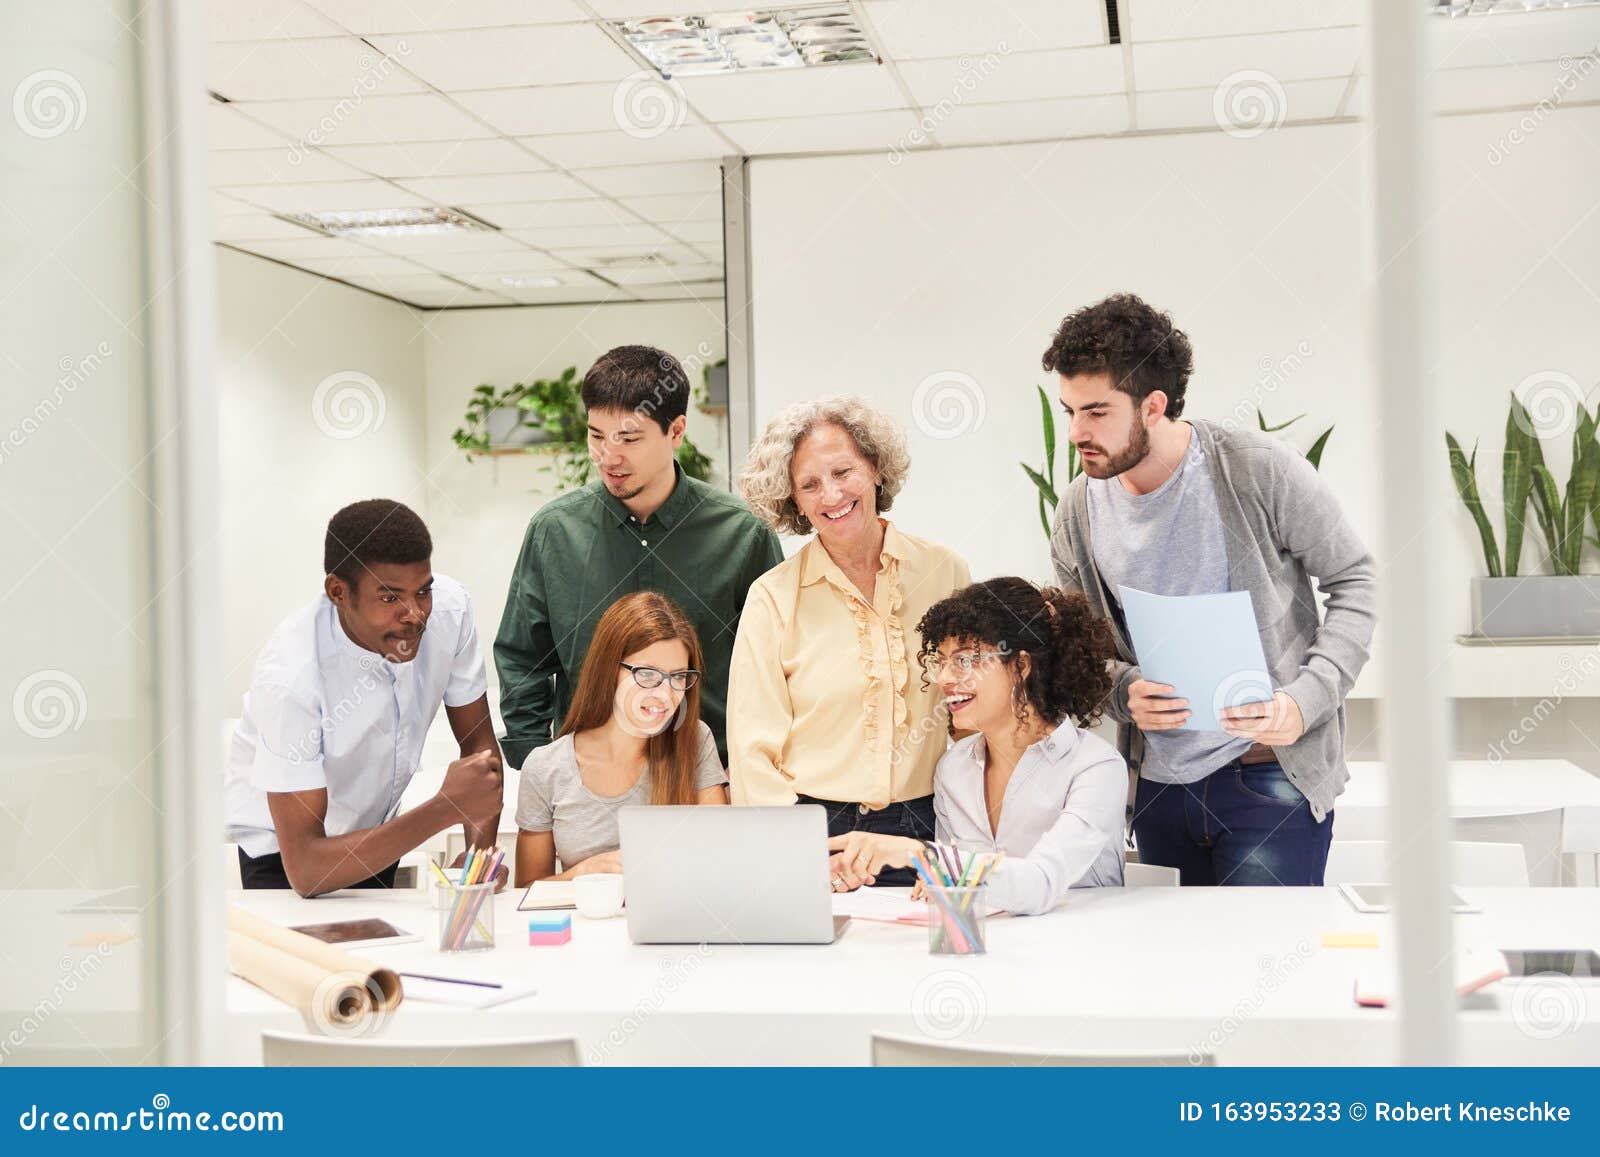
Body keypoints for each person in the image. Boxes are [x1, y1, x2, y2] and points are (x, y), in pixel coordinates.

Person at [1044, 293, 1376, 885]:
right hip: (1159, 788)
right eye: (1068, 410)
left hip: (1267, 773)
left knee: (1262, 966)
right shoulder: (1077, 509)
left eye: (1095, 412)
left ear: (1152, 406)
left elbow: (1357, 581)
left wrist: (1306, 702)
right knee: (1180, 975)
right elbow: (1080, 643)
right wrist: (1124, 691)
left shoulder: (1255, 468)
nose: (1075, 432)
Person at [495, 345, 782, 771]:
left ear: (676, 431)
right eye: (596, 436)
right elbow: (523, 658)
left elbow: (775, 666)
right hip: (587, 781)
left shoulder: (743, 534)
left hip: (708, 780)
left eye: (629, 438)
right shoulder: (554, 532)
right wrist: (539, 764)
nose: (609, 457)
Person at [728, 396, 970, 886]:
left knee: (934, 958)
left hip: (927, 826)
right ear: (793, 500)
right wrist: (798, 855)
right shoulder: (772, 597)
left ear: (876, 468)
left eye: (843, 472)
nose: (831, 495)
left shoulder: (944, 570)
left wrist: (974, 836)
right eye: (809, 484)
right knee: (825, 963)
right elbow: (753, 754)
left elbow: (975, 714)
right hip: (816, 834)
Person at [225, 500, 506, 896]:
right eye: (390, 598)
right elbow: (307, 871)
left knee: (391, 957)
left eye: (422, 591)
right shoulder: (291, 678)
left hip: (379, 832)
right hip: (286, 861)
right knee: (320, 960)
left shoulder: (450, 609)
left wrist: (479, 860)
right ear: (339, 592)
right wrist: (444, 807)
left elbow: (478, 748)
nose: (414, 614)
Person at [827, 579, 1127, 915]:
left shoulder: (1096, 768)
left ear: (1021, 666)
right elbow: (957, 891)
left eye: (966, 660)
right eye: (940, 661)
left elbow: (1039, 884)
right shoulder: (953, 770)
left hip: (1084, 954)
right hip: (993, 954)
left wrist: (920, 856)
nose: (944, 679)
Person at [514, 591, 727, 885]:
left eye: (678, 677)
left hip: (672, 926)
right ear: (609, 669)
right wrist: (580, 874)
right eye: (647, 674)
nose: (665, 694)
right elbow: (527, 892)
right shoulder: (545, 768)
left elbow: (721, 862)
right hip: (586, 927)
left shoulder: (695, 740)